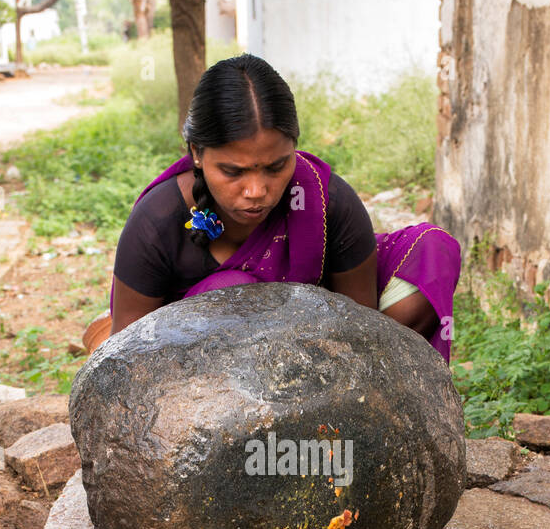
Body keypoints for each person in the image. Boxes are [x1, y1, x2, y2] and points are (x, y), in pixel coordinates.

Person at [82, 54, 460, 357]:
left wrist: (326, 355)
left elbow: (356, 324)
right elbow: (126, 353)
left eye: (276, 166)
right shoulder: (157, 222)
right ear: (197, 153)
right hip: (198, 362)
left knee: (433, 251)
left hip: (316, 339)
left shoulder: (327, 202)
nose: (257, 191)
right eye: (233, 172)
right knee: (235, 291)